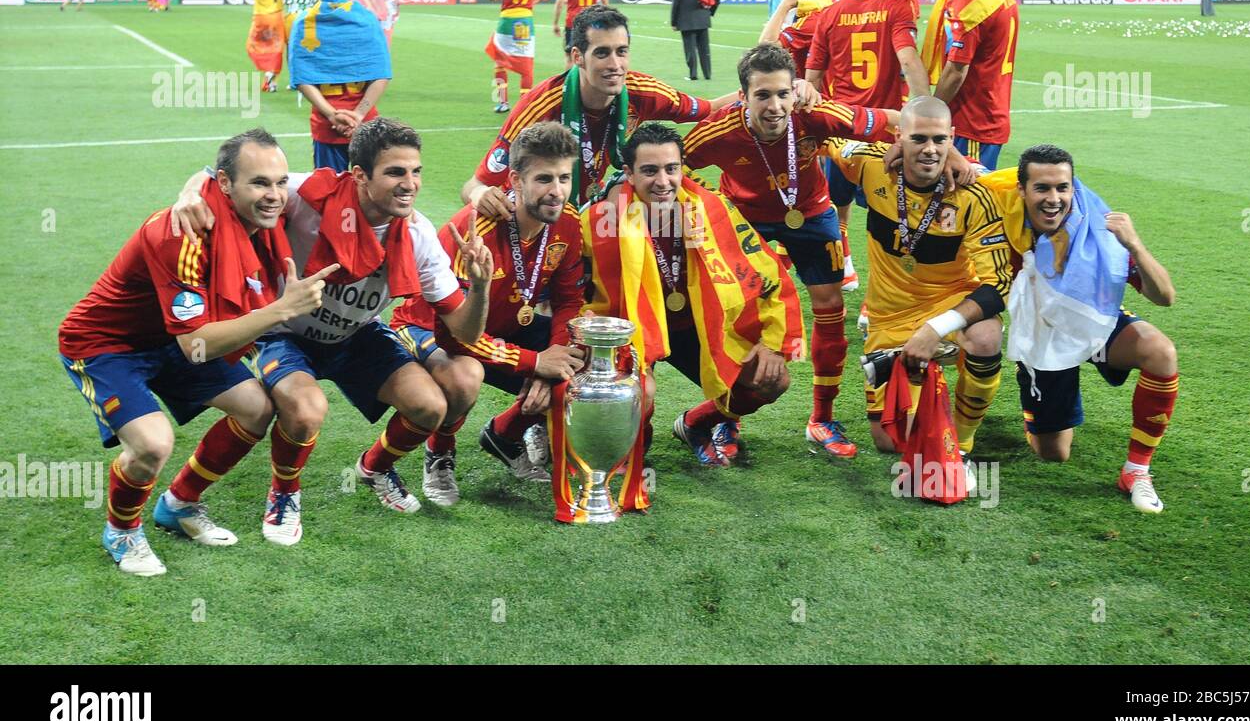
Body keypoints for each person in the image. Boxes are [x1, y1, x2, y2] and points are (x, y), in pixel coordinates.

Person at [171, 118, 493, 532]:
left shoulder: (418, 235)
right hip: (285, 332)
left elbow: (465, 333)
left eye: (415, 171)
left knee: (429, 406)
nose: (410, 183)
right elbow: (229, 180)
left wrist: (480, 289)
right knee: (306, 411)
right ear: (359, 175)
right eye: (395, 172)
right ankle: (285, 494)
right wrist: (190, 190)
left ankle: (374, 468)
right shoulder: (306, 197)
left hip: (358, 335)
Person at [58, 129, 330, 575]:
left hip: (171, 339)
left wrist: (197, 178)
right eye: (260, 183)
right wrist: (281, 309)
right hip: (107, 344)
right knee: (151, 444)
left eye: (281, 183)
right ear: (225, 185)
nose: (275, 195)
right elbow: (196, 345)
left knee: (256, 409)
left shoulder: (263, 213)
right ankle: (122, 530)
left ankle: (179, 503)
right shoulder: (182, 233)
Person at [683, 43, 901, 457]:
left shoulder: (814, 114)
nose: (775, 105)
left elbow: (891, 120)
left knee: (830, 307)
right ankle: (726, 421)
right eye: (762, 95)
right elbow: (677, 167)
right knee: (742, 318)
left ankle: (821, 419)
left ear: (795, 91)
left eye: (783, 93)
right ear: (743, 97)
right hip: (746, 218)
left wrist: (928, 147)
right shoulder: (719, 130)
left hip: (812, 213)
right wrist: (709, 207)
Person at [581, 123, 801, 471]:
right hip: (632, 329)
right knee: (639, 391)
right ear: (629, 173)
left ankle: (697, 423)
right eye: (650, 171)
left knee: (772, 380)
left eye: (672, 169)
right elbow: (574, 294)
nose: (664, 181)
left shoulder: (711, 209)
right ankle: (632, 442)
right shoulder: (599, 221)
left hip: (697, 326)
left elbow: (768, 273)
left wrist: (774, 343)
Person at [828, 97, 1013, 483]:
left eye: (939, 140)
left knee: (986, 334)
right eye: (918, 139)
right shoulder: (870, 164)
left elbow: (998, 286)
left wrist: (936, 328)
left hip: (948, 305)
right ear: (899, 137)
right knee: (890, 440)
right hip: (888, 317)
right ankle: (923, 383)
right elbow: (826, 129)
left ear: (953, 139)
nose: (930, 149)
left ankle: (960, 445)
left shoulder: (973, 194)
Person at [392, 122, 586, 486]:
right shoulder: (477, 228)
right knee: (465, 375)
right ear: (514, 180)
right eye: (544, 179)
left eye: (564, 178)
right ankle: (440, 452)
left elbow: (569, 301)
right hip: (429, 328)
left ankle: (506, 434)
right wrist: (535, 362)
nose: (557, 191)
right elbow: (459, 334)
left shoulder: (569, 223)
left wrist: (556, 358)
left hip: (507, 325)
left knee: (583, 352)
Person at [995, 145, 1179, 513]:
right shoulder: (1001, 217)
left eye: (1062, 188)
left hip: (1095, 323)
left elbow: (1165, 297)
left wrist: (1135, 245)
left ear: (1073, 188)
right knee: (1053, 454)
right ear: (1022, 190)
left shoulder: (1096, 227)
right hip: (1043, 335)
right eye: (1042, 189)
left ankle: (1136, 471)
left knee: (1161, 353)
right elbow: (967, 175)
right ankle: (1038, 409)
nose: (1053, 199)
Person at [461, 5, 737, 222]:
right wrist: (481, 194)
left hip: (595, 205)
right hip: (544, 212)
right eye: (602, 53)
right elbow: (474, 185)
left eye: (622, 52)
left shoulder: (643, 91)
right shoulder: (539, 108)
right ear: (578, 56)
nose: (615, 64)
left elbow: (709, 109)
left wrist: (759, 94)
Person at [807, 0, 932, 300]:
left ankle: (843, 271)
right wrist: (927, 112)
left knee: (837, 206)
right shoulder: (898, 4)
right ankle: (874, 301)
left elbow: (811, 81)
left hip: (842, 131)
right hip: (882, 133)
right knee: (888, 219)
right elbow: (908, 59)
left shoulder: (830, 13)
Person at [922, 0, 1020, 170]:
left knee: (964, 205)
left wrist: (930, 115)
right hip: (988, 111)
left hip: (973, 122)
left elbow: (956, 70)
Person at [288, 0, 391, 173]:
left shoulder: (304, 21)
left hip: (327, 127)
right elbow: (381, 73)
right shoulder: (367, 19)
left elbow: (302, 78)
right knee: (370, 193)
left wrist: (332, 115)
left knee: (330, 194)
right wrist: (360, 115)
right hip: (365, 124)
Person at [758, 0, 834, 79]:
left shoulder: (812, 19)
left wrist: (784, 5)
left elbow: (765, 48)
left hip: (813, 96)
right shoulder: (821, 9)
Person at [485, 0, 540, 113]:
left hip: (507, 21)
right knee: (526, 66)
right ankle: (525, 105)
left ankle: (502, 102)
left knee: (499, 61)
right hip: (526, 21)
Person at [243, 0, 285, 93]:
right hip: (277, 16)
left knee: (253, 46)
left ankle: (266, 69)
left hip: (261, 16)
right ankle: (272, 80)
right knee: (276, 48)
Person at [670, 0, 719, 81]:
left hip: (686, 22)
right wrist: (709, 13)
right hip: (703, 20)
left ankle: (693, 74)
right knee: (704, 49)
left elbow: (676, 4)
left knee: (690, 49)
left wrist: (674, 22)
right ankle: (707, 74)